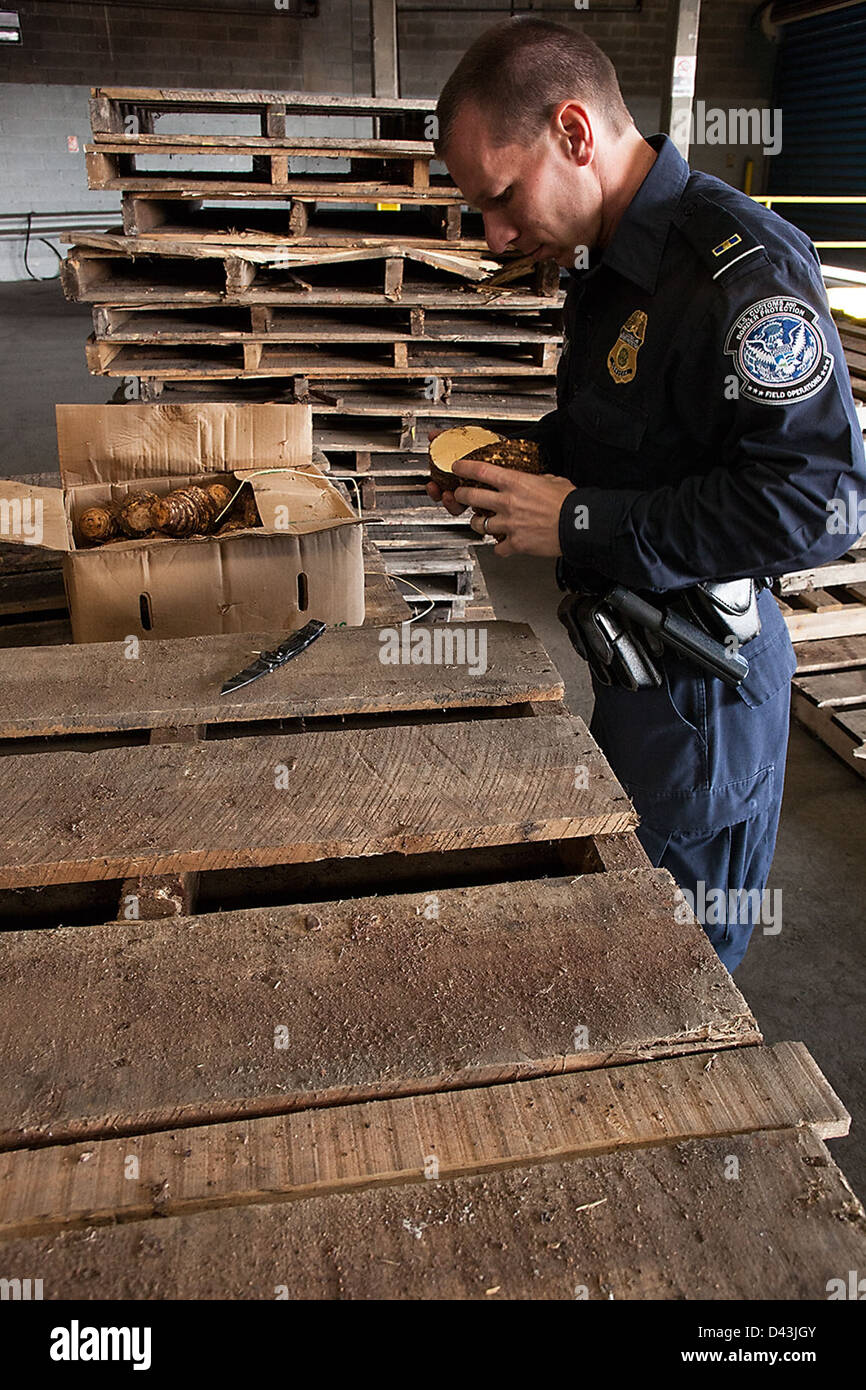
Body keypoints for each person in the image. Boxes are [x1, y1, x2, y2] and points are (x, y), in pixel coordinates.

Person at [427, 16, 866, 970]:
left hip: (703, 688)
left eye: (501, 198)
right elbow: (623, 435)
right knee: (621, 907)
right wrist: (523, 462)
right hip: (631, 662)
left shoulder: (740, 269)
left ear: (575, 133)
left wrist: (577, 518)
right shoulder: (610, 262)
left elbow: (816, 504)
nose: (496, 235)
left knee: (675, 961)